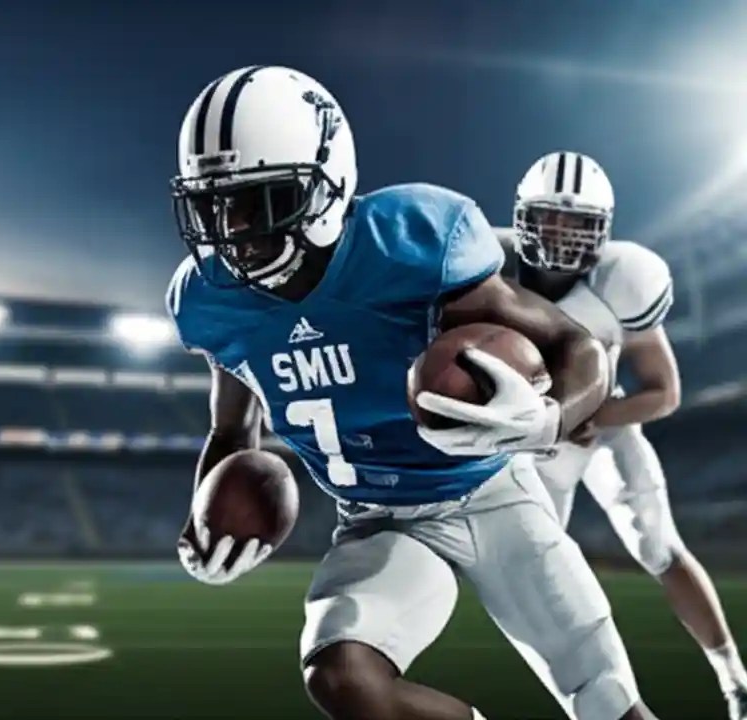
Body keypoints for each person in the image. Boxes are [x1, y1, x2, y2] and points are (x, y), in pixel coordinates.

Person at [165, 65, 656, 720]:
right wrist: (205, 520)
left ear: (326, 182)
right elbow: (231, 434)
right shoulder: (211, 302)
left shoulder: (411, 241)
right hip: (377, 517)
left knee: (608, 703)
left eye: (261, 199)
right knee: (342, 676)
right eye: (214, 203)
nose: (234, 228)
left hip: (490, 494)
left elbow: (580, 350)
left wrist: (545, 420)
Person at [506, 151, 747, 720]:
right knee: (536, 573)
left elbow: (664, 391)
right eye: (551, 218)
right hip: (532, 441)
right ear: (522, 218)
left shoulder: (623, 280)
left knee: (659, 547)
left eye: (577, 223)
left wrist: (593, 418)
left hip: (600, 431)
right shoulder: (486, 265)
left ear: (603, 232)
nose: (562, 235)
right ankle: (596, 698)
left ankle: (734, 677)